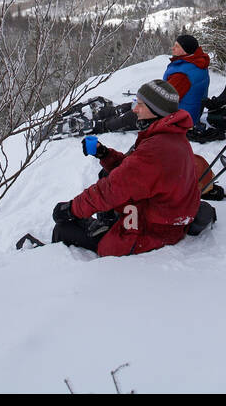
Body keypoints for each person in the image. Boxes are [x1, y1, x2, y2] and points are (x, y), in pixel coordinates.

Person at [51, 79, 200, 256]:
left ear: (156, 111)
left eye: (141, 105)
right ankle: (106, 225)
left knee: (63, 229)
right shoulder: (170, 137)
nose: (135, 109)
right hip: (158, 215)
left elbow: (112, 188)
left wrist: (71, 208)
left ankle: (58, 267)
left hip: (151, 231)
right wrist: (104, 154)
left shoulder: (157, 149)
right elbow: (134, 171)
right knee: (107, 173)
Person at [163, 33, 211, 128]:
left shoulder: (182, 74)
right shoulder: (198, 62)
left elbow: (165, 99)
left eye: (177, 46)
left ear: (186, 50)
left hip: (182, 118)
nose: (173, 48)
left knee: (135, 114)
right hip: (193, 113)